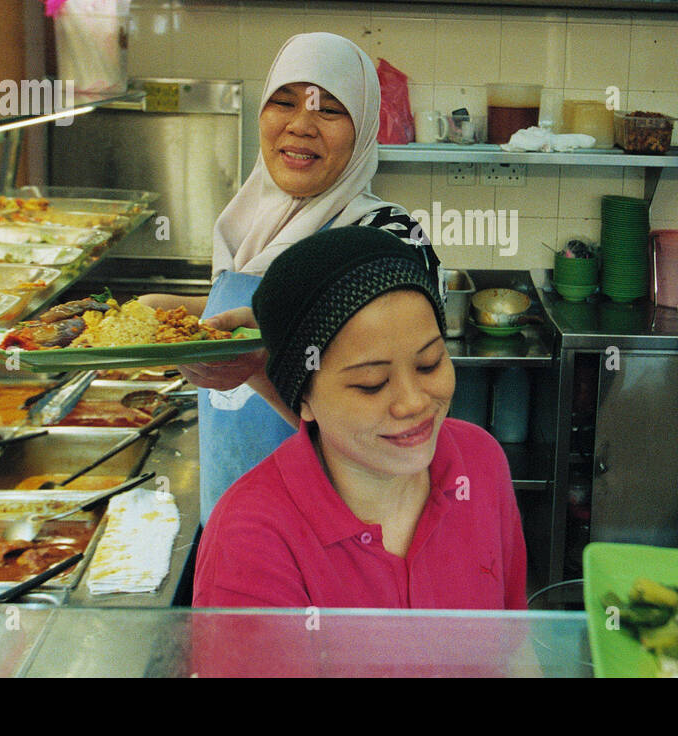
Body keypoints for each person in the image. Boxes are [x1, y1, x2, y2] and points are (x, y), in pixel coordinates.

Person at [140, 32, 438, 524]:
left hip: (335, 530)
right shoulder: (247, 224)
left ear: (363, 128)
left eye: (330, 110)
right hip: (233, 509)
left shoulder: (388, 240)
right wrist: (171, 310)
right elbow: (267, 312)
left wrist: (257, 368)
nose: (300, 125)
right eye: (283, 102)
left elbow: (389, 419)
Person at [192, 226, 527, 610]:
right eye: (372, 383)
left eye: (429, 363)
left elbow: (512, 647)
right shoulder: (249, 538)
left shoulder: (480, 462)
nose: (413, 403)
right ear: (304, 398)